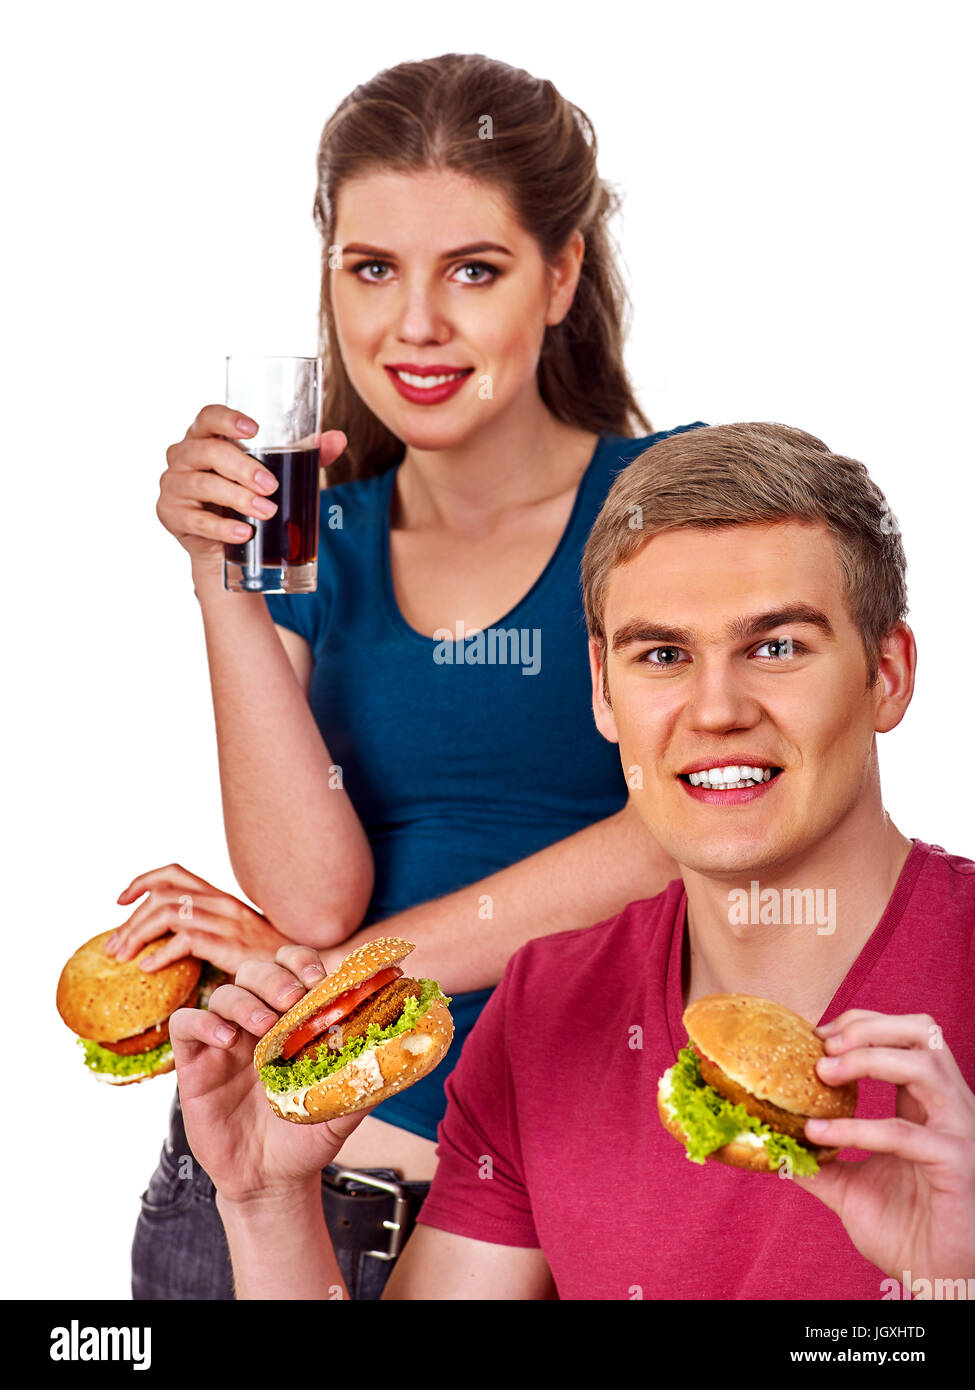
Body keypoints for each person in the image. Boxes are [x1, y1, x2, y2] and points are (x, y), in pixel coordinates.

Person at [115, 52, 698, 1299]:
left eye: (472, 271)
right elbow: (310, 891)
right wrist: (223, 576)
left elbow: (679, 832)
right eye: (371, 268)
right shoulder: (317, 539)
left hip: (538, 1227)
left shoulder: (672, 507)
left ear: (563, 275)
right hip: (257, 1198)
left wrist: (329, 982)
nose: (413, 325)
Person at [170, 422, 975, 1299]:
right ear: (601, 690)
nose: (714, 710)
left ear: (887, 674)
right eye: (662, 654)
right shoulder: (543, 1006)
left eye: (774, 647)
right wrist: (266, 1202)